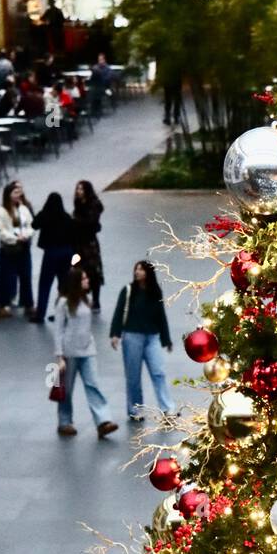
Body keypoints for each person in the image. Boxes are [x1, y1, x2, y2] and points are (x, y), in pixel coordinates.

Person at [53, 266, 118, 439]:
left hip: (88, 350)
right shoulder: (63, 303)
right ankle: (64, 421)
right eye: (83, 279)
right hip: (69, 352)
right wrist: (59, 357)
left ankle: (103, 421)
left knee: (93, 384)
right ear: (76, 282)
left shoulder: (85, 300)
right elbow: (58, 330)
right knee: (66, 389)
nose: (87, 281)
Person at [110, 260, 176, 420]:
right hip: (132, 336)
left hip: (152, 336)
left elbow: (161, 316)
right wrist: (115, 334)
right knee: (133, 375)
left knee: (158, 372)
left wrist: (166, 339)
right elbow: (119, 312)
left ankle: (167, 408)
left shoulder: (155, 292)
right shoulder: (128, 290)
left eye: (141, 269)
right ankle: (135, 409)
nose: (137, 272)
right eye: (136, 269)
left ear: (148, 272)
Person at [0, 179, 35, 318]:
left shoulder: (23, 209)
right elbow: (0, 231)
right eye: (15, 193)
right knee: (6, 277)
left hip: (23, 247)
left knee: (26, 276)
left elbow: (31, 225)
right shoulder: (0, 211)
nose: (18, 195)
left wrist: (26, 235)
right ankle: (2, 305)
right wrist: (14, 238)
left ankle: (28, 303)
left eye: (19, 192)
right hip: (9, 249)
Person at [31, 191, 75, 323]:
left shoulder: (45, 215)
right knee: (64, 284)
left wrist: (42, 211)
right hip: (66, 252)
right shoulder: (66, 217)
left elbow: (34, 224)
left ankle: (40, 314)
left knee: (45, 284)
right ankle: (63, 313)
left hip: (51, 252)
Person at [72, 179, 104, 311]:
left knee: (93, 271)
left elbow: (91, 222)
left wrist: (76, 223)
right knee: (78, 269)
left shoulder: (93, 205)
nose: (78, 191)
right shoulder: (78, 203)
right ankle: (80, 298)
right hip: (78, 243)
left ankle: (96, 300)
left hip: (89, 243)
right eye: (77, 189)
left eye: (81, 189)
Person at [88, 53, 112, 118]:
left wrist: (100, 75)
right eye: (99, 60)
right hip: (95, 86)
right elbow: (91, 78)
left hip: (104, 87)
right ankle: (94, 110)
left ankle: (97, 110)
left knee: (97, 93)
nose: (100, 61)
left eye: (101, 59)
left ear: (104, 60)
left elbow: (108, 79)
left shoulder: (107, 68)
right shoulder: (96, 67)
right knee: (92, 92)